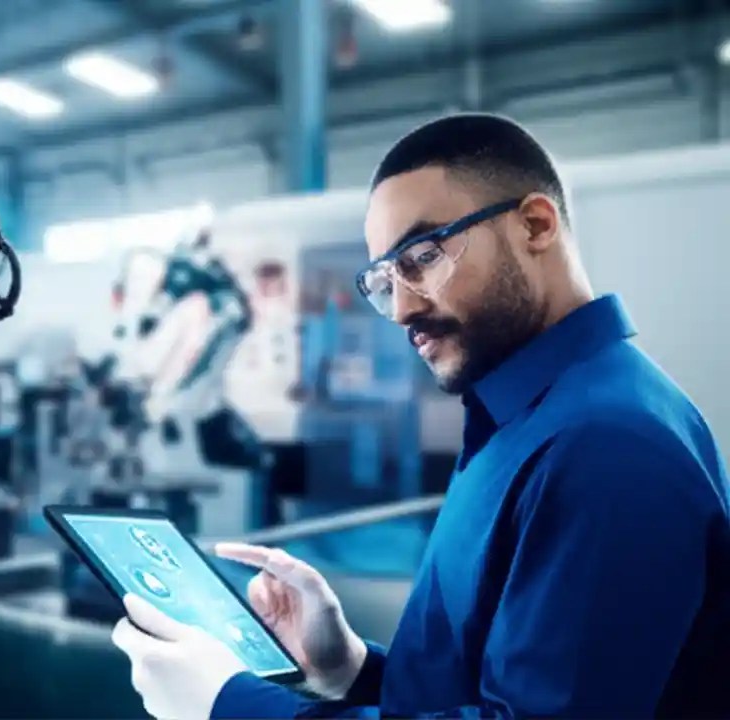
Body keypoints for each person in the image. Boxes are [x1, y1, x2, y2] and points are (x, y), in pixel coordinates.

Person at [110, 114, 730, 718]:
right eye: (384, 279)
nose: (403, 307)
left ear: (535, 225)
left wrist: (232, 706)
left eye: (424, 256)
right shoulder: (518, 418)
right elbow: (486, 682)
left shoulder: (606, 446)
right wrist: (350, 668)